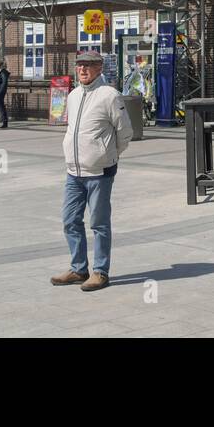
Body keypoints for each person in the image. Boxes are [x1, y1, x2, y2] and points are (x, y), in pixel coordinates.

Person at [52, 51, 133, 293]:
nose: (83, 69)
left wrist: (109, 155)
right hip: (73, 172)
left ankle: (100, 272)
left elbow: (125, 132)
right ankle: (78, 268)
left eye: (89, 65)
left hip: (99, 172)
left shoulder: (110, 95)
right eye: (80, 65)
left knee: (99, 223)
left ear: (99, 68)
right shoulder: (74, 95)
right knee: (70, 221)